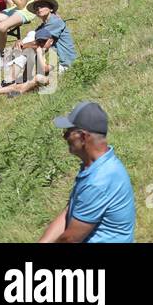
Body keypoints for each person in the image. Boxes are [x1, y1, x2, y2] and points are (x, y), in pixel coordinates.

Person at [40, 102, 135, 243]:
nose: (64, 137)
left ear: (83, 137)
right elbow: (68, 212)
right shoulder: (94, 167)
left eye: (68, 132)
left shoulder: (100, 180)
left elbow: (70, 239)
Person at [0, 0, 76, 96]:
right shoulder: (44, 25)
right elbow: (35, 42)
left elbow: (38, 44)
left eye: (42, 5)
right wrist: (20, 42)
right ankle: (6, 84)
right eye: (37, 7)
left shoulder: (55, 22)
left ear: (50, 8)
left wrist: (21, 45)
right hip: (51, 63)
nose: (39, 8)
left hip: (64, 64)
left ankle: (7, 83)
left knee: (32, 38)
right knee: (32, 36)